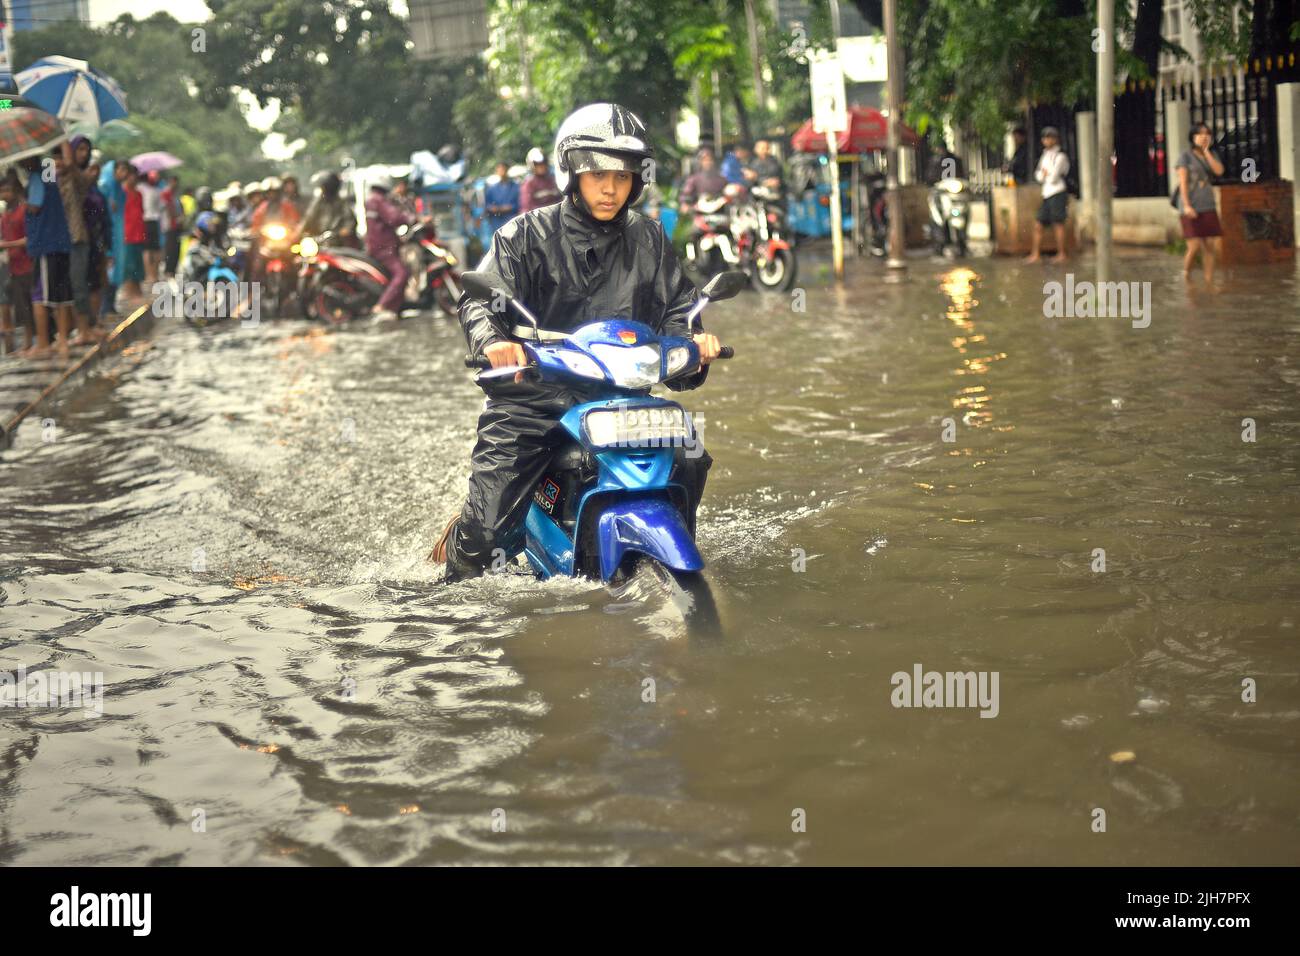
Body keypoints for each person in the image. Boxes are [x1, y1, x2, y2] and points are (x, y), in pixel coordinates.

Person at [429, 102, 721, 583]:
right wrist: (496, 343)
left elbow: (677, 308)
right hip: (535, 399)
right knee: (485, 534)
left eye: (623, 177)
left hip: (622, 397)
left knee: (689, 452)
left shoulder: (649, 238)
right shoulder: (524, 235)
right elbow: (480, 301)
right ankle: (455, 577)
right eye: (598, 175)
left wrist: (693, 342)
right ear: (571, 174)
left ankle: (669, 542)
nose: (611, 188)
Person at [20, 151, 77, 359]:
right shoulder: (49, 174)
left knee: (41, 297)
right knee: (61, 295)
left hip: (45, 243)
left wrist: (20, 197)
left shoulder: (37, 177)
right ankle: (62, 340)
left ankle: (44, 343)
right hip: (60, 242)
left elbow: (34, 207)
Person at [1176, 121, 1225, 285]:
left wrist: (1207, 152)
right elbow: (1183, 183)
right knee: (1194, 245)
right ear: (1192, 137)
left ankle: (1209, 280)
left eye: (1207, 133)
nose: (1204, 137)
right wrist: (1187, 205)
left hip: (1208, 204)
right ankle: (1186, 276)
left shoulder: (1212, 154)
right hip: (1190, 206)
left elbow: (1219, 171)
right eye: (1200, 134)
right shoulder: (1185, 157)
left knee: (1210, 245)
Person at [364, 174, 414, 321]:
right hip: (384, 247)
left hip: (377, 244)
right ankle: (382, 305)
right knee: (402, 273)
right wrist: (412, 219)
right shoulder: (379, 200)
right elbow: (394, 217)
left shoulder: (371, 199)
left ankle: (395, 308)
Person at [1025, 126, 1070, 264]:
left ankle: (1062, 253)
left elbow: (1054, 177)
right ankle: (1035, 253)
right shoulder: (1045, 156)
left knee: (1058, 223)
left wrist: (1045, 175)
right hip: (1046, 193)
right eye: (1045, 137)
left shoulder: (1060, 156)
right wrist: (1044, 175)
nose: (1047, 140)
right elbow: (1038, 175)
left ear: (1055, 139)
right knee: (1039, 223)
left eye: (1050, 137)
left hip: (1057, 191)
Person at [0, 174, 34, 355]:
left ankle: (33, 341)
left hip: (27, 264)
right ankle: (28, 341)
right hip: (14, 266)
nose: (4, 194)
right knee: (22, 306)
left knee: (30, 303)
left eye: (7, 190)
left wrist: (7, 245)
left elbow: (28, 240)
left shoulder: (23, 211)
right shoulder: (5, 215)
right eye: (2, 191)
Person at [301, 172, 356, 241]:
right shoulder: (318, 203)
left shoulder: (341, 204)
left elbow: (349, 225)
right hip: (317, 242)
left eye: (323, 187)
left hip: (338, 244)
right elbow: (307, 219)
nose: (322, 190)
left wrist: (337, 234)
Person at [120, 164, 146, 305]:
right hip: (127, 235)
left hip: (138, 233)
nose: (134, 178)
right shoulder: (122, 193)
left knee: (138, 264)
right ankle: (129, 293)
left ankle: (138, 291)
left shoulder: (139, 194)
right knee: (129, 266)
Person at [139, 169, 164, 283]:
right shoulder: (156, 190)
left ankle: (150, 275)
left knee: (148, 249)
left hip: (146, 221)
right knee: (153, 249)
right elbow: (161, 207)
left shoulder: (140, 188)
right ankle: (153, 274)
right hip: (152, 221)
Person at [483, 161, 520, 235]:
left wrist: (510, 208)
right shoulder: (491, 189)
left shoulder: (515, 187)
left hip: (512, 222)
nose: (502, 171)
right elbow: (487, 206)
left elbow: (519, 204)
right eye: (500, 169)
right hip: (496, 223)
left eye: (504, 169)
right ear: (497, 171)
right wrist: (494, 209)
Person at [520, 147, 561, 212]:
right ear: (531, 165)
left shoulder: (554, 179)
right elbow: (527, 207)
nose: (541, 166)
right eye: (537, 164)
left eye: (543, 163)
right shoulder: (529, 184)